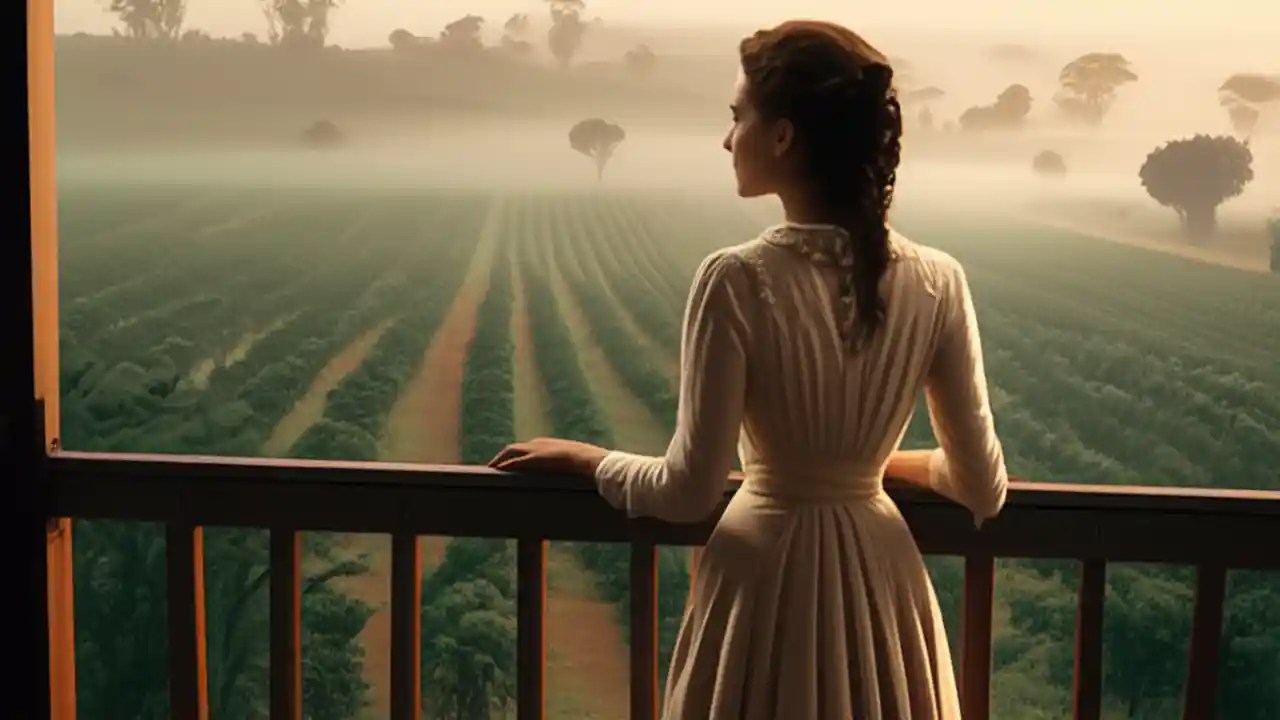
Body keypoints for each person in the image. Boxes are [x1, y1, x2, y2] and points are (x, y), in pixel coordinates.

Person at [489, 19, 1008, 720]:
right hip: (881, 585)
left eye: (738, 117)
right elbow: (981, 486)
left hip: (763, 582)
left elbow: (688, 490)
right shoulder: (939, 280)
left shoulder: (735, 278)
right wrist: (866, 470)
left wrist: (585, 458)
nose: (727, 138)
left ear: (784, 137)